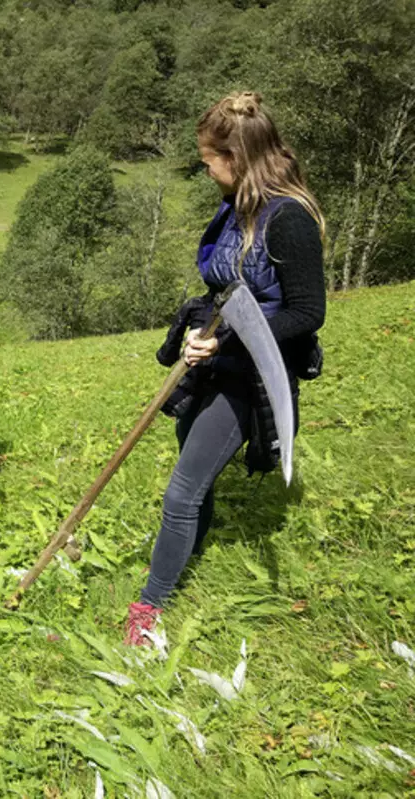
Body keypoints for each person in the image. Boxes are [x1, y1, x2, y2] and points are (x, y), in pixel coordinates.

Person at [124, 92, 326, 646]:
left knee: (181, 490)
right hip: (217, 356)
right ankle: (195, 545)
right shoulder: (238, 205)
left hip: (253, 372)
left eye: (209, 160)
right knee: (195, 463)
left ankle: (149, 609)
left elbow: (309, 313)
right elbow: (228, 289)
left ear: (235, 158)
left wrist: (229, 339)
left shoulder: (289, 220)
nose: (206, 169)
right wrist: (202, 333)